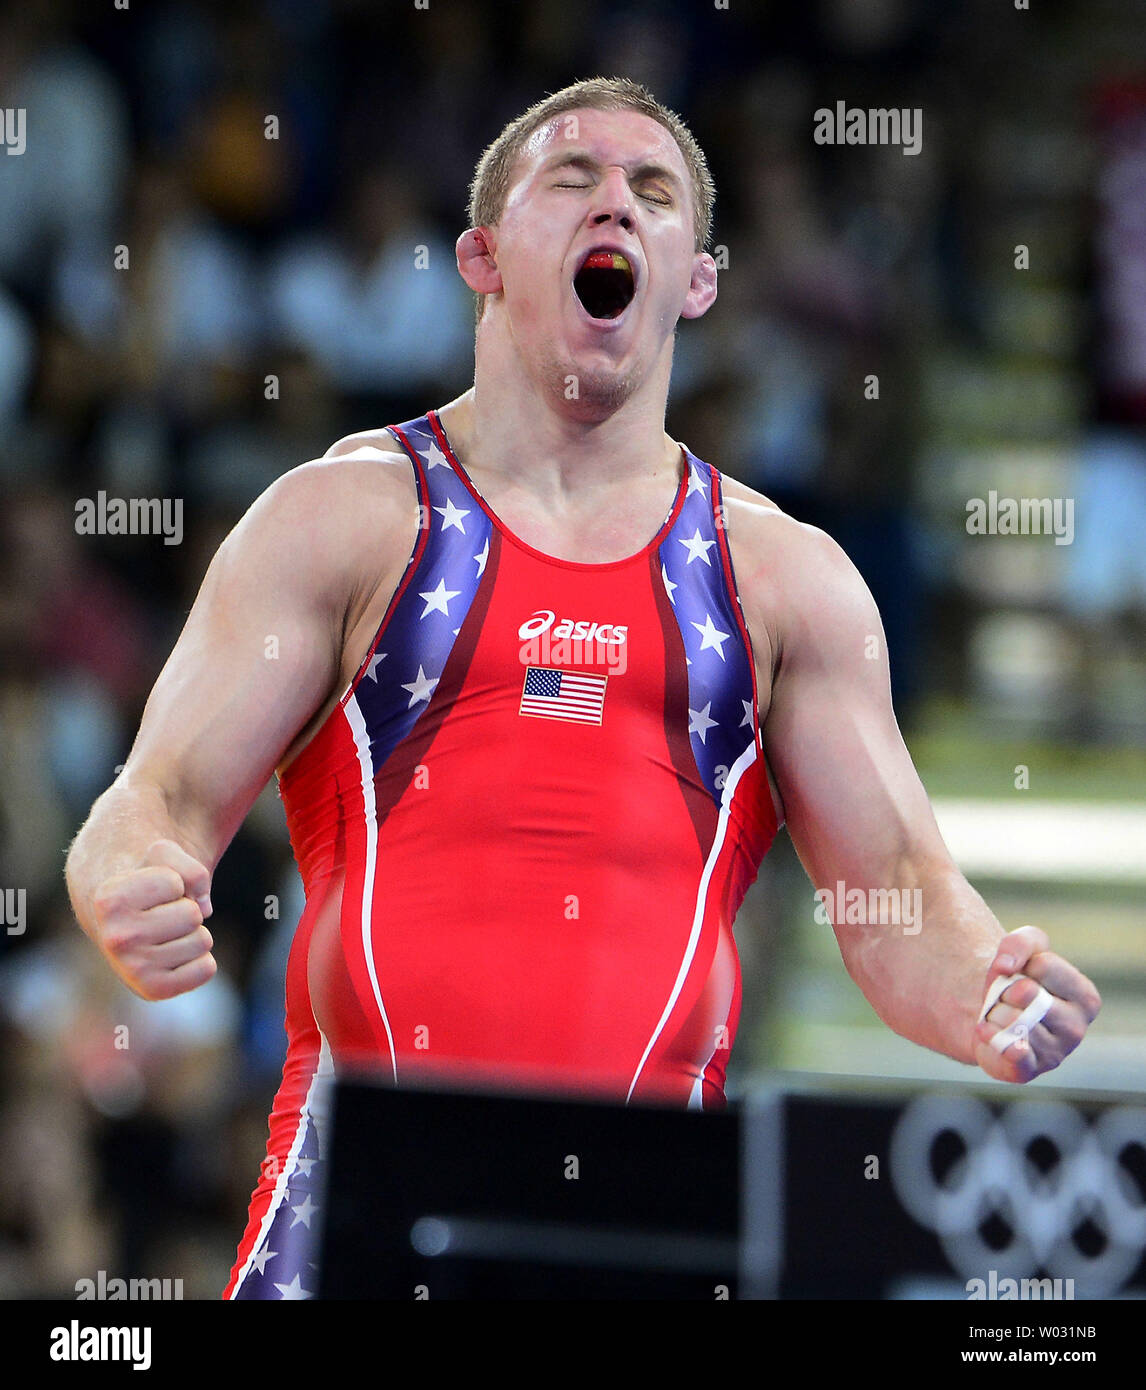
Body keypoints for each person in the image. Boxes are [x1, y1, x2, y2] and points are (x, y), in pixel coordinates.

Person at [65, 78, 1101, 1300]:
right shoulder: (343, 520)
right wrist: (123, 880)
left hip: (643, 1227)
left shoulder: (783, 579)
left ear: (697, 280)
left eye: (653, 194)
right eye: (574, 179)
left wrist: (989, 987)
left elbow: (898, 893)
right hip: (354, 1215)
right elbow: (158, 797)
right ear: (483, 255)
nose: (616, 200)